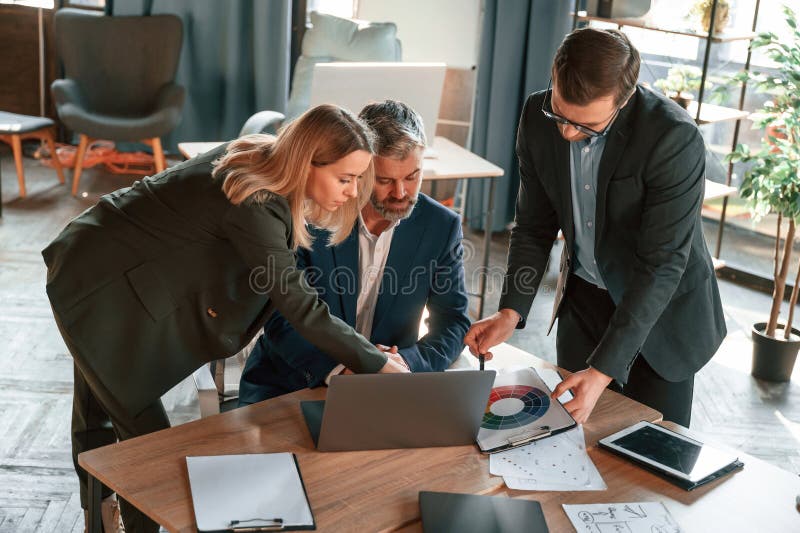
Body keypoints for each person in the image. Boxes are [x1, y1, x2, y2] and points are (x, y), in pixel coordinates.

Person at [42, 104, 409, 533]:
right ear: (307, 161)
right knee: (149, 449)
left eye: (358, 180)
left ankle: (98, 518)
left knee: (98, 410)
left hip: (113, 273)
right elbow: (300, 306)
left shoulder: (265, 162)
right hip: (91, 282)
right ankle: (122, 522)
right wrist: (380, 365)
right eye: (345, 179)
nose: (353, 192)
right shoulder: (255, 202)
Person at [464, 28, 726, 427]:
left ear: (624, 100)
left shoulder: (673, 138)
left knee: (651, 452)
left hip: (660, 316)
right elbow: (534, 226)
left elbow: (661, 266)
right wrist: (510, 311)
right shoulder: (536, 116)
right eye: (560, 116)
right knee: (571, 440)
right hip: (584, 303)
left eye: (586, 127)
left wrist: (604, 370)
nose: (567, 133)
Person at [239, 100, 470, 404]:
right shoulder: (310, 211)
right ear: (360, 169)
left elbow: (452, 320)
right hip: (292, 384)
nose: (401, 193)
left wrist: (408, 364)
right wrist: (342, 371)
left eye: (412, 177)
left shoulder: (441, 226)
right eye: (385, 180)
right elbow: (282, 317)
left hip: (388, 391)